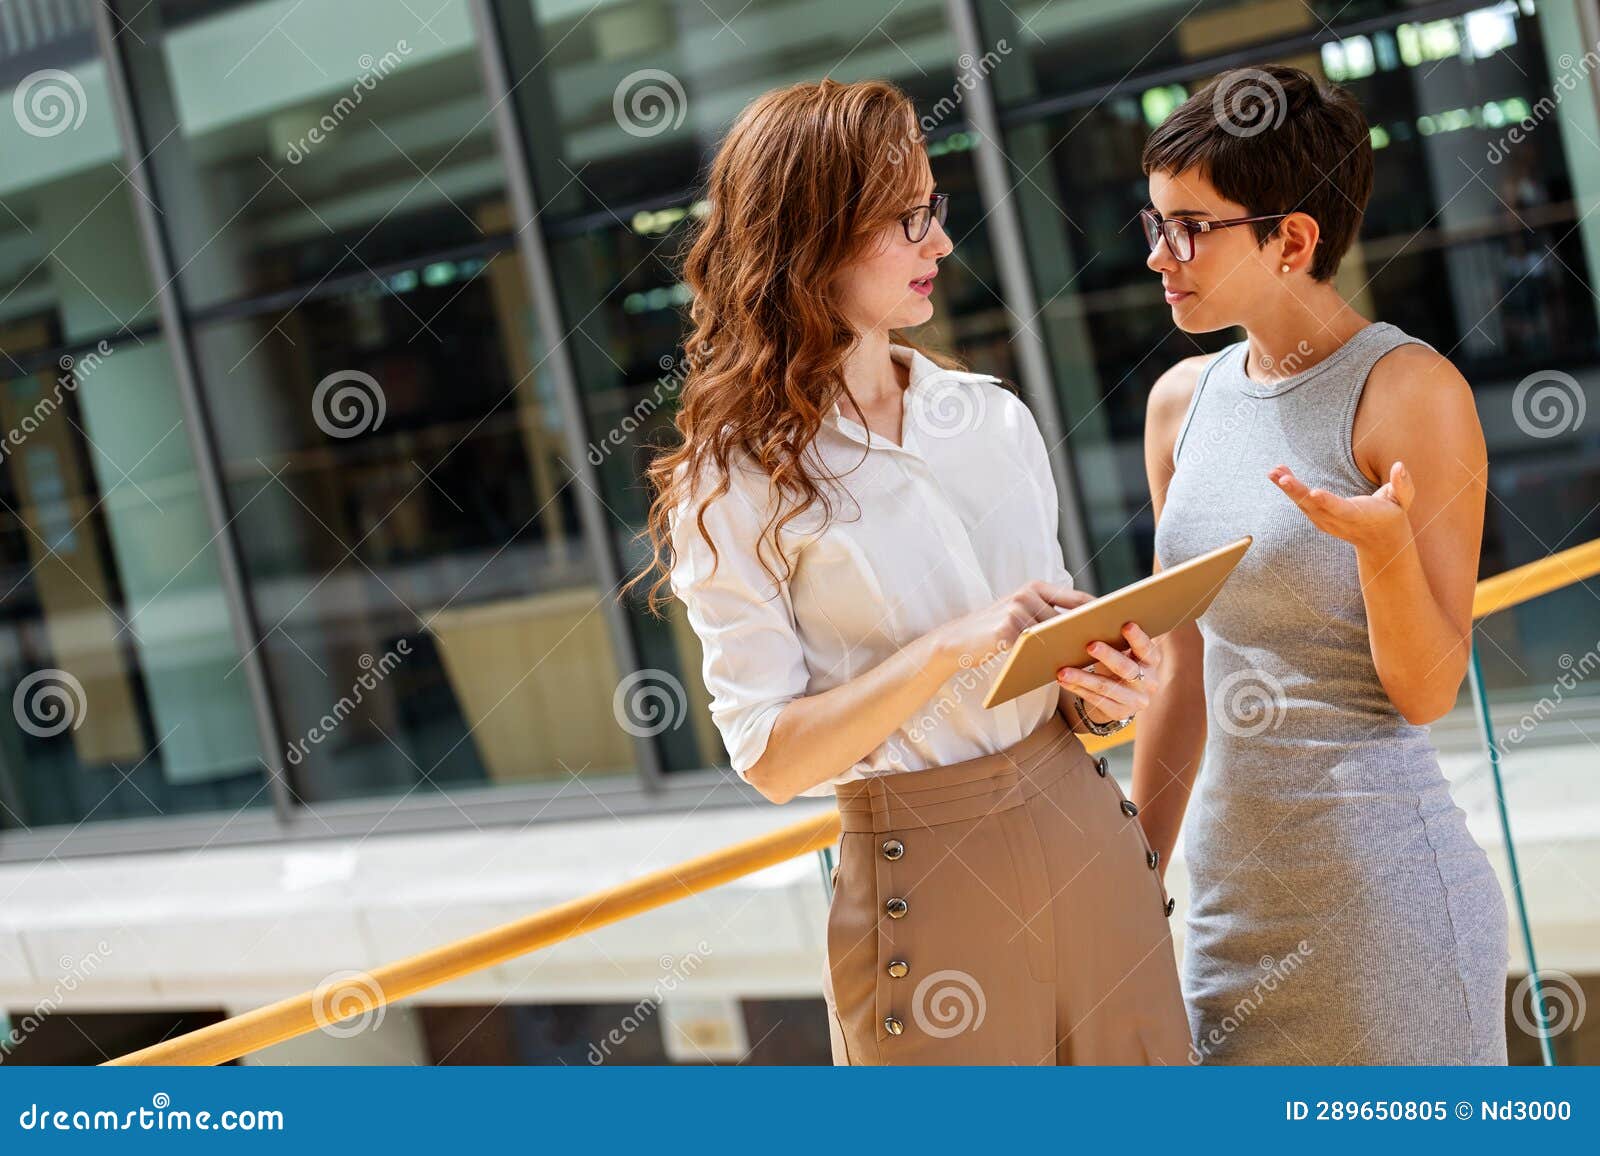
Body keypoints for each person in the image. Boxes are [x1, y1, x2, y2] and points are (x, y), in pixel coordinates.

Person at [627, 78, 1190, 1065]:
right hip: (925, 895)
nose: (942, 243)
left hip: (1090, 846)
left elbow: (1055, 683)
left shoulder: (992, 417)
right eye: (907, 219)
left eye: (936, 208)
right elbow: (772, 759)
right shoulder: (733, 480)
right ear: (812, 238)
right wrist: (942, 651)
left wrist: (1105, 691)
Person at [1133, 64, 1509, 1064]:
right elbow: (1182, 671)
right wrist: (1136, 877)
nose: (1159, 255)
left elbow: (1426, 691)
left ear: (1291, 241)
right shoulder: (1179, 405)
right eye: (1155, 222)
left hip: (1384, 909)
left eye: (1190, 228)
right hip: (1226, 912)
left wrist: (1383, 552)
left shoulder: (1410, 392)